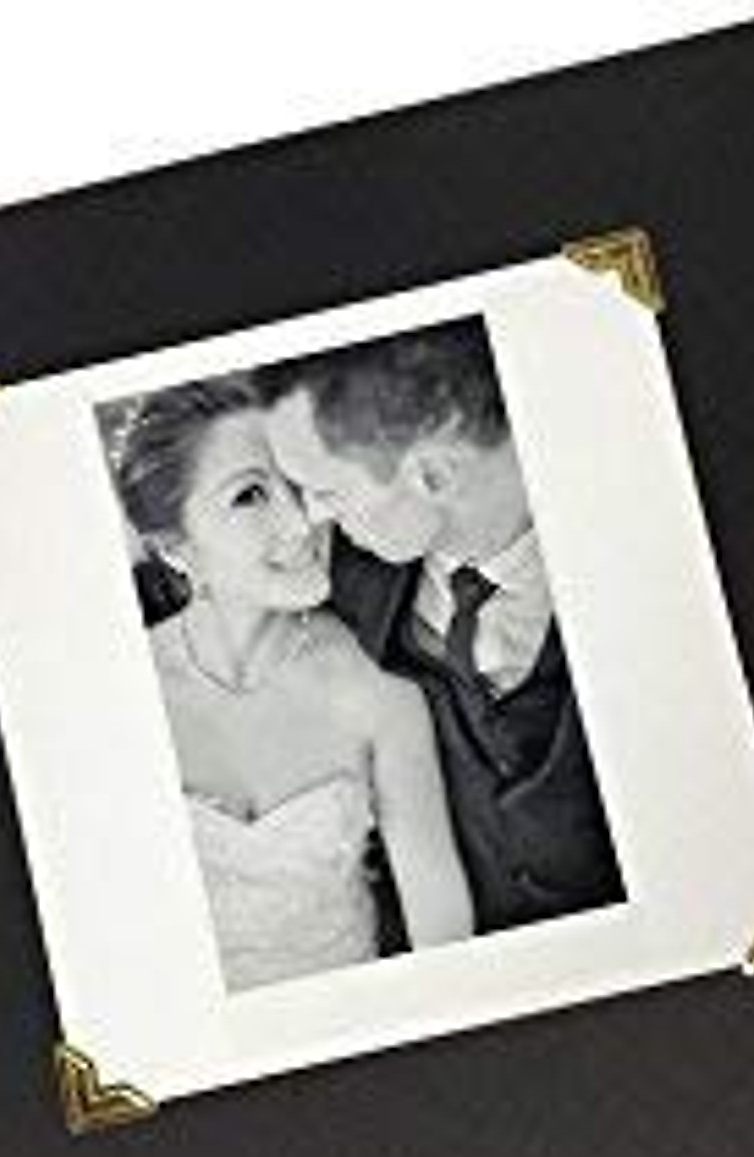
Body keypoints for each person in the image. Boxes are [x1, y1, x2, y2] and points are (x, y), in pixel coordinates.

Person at [262, 318, 626, 935]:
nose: (309, 518)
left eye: (325, 491)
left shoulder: (637, 552)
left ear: (434, 475)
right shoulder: (341, 581)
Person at [113, 374, 473, 991]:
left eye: (298, 484)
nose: (304, 520)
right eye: (250, 495)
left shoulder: (381, 694)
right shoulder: (120, 698)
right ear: (177, 549)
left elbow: (445, 939)